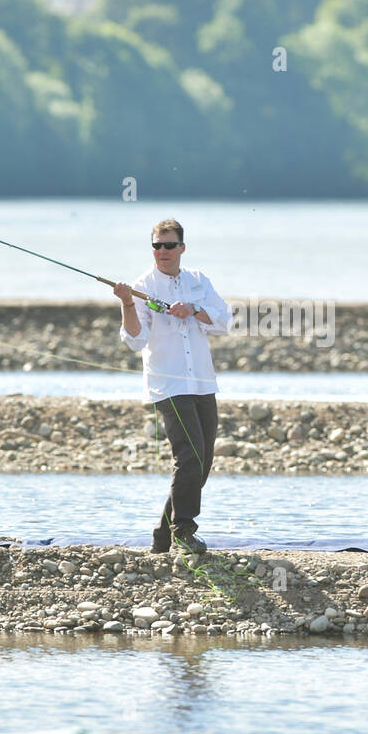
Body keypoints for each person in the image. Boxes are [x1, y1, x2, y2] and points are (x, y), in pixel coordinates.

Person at [113, 219, 232, 554]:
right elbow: (135, 341)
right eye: (156, 245)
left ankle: (162, 537)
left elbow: (224, 321)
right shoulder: (142, 286)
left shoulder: (198, 280)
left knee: (203, 461)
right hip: (168, 384)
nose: (162, 251)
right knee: (189, 455)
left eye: (168, 245)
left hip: (202, 382)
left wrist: (194, 310)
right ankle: (184, 530)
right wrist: (125, 303)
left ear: (181, 248)